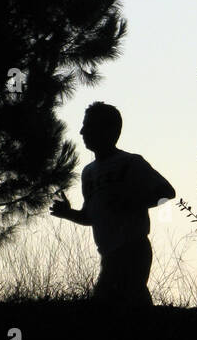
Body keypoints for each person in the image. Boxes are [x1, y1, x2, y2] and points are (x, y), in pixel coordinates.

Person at [50, 102, 175, 307]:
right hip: (108, 254)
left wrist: (132, 201)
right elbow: (90, 217)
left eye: (88, 126)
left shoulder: (130, 163)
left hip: (133, 248)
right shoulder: (88, 173)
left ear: (107, 130)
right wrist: (68, 213)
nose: (82, 131)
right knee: (130, 303)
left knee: (111, 303)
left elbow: (166, 193)